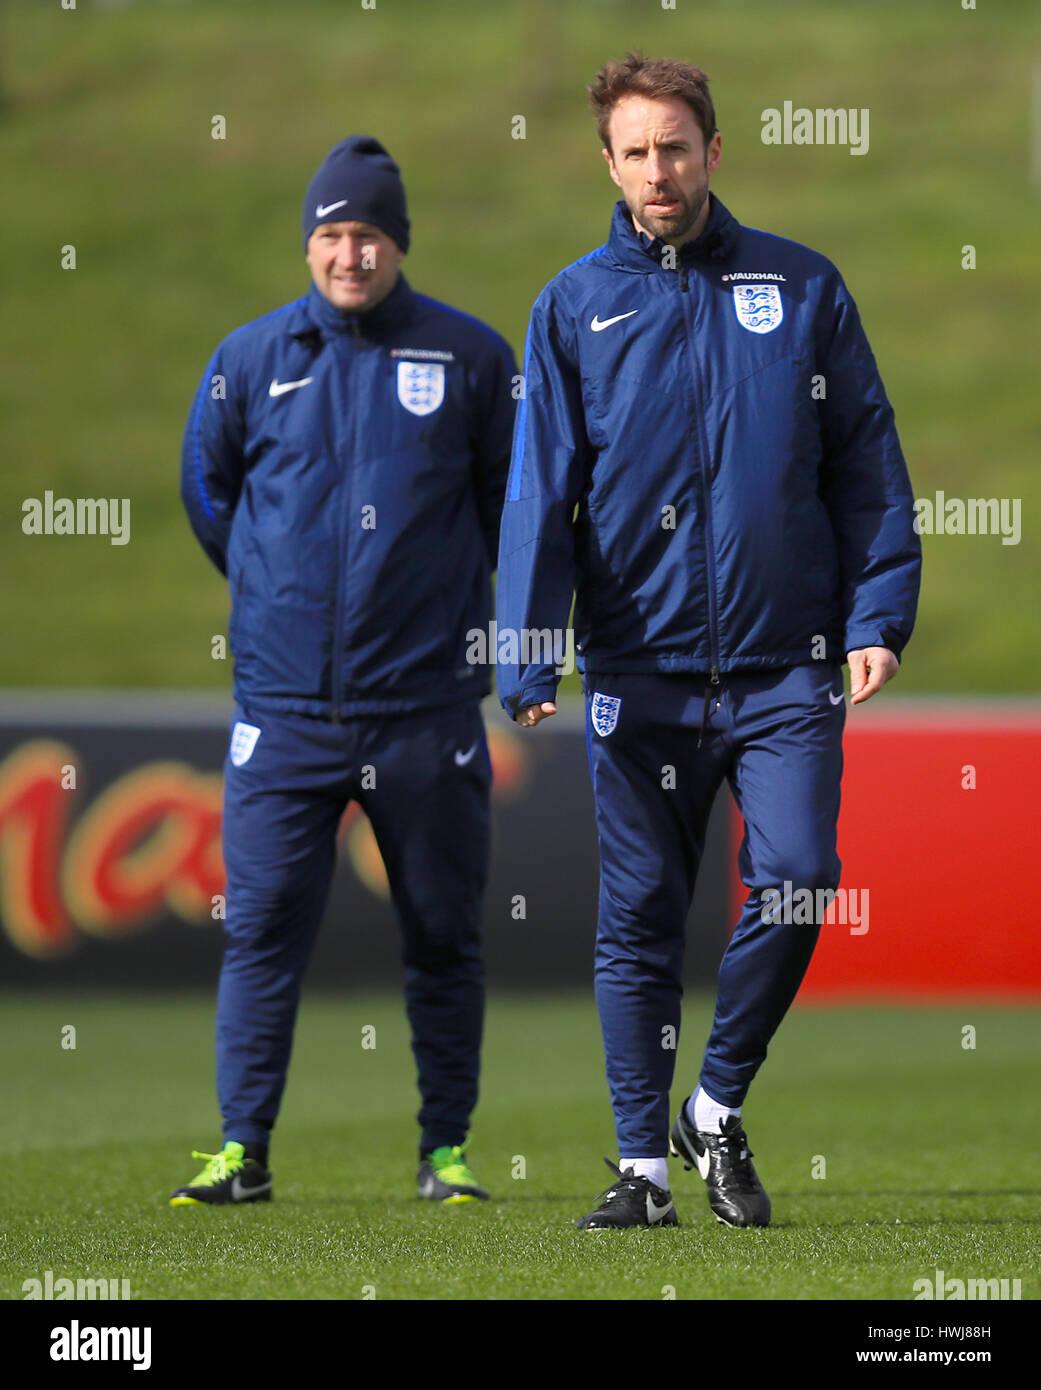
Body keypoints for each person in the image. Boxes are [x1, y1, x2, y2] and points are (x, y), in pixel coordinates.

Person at [496, 54, 921, 1229]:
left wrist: (877, 616)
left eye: (675, 147)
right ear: (609, 165)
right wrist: (527, 651)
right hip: (640, 670)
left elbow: (866, 465)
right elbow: (540, 494)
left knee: (798, 882)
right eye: (634, 152)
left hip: (788, 666)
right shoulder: (574, 305)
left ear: (714, 151)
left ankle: (718, 1102)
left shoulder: (803, 287)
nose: (656, 172)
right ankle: (641, 1173)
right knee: (639, 915)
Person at [175, 135, 517, 1207]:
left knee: (443, 937)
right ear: (310, 244)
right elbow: (208, 492)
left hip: (425, 714)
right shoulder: (248, 359)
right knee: (264, 933)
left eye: (369, 233)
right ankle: (242, 1152)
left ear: (399, 242)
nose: (350, 254)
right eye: (332, 233)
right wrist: (274, 591)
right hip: (283, 715)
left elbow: (520, 508)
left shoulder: (469, 357)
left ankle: (446, 1152)